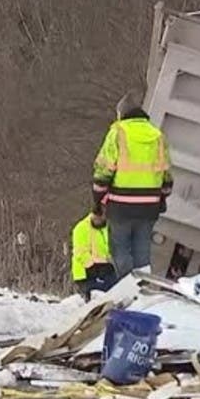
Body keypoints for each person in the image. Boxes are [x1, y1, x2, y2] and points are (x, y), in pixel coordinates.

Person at [92, 92, 173, 280]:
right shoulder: (158, 136)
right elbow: (167, 176)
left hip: (121, 206)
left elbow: (103, 172)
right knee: (142, 252)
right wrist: (161, 199)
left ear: (121, 114)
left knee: (119, 249)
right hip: (149, 207)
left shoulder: (118, 133)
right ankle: (142, 287)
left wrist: (97, 202)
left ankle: (127, 286)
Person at [70, 205, 116, 301]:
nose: (98, 221)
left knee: (116, 287)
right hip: (85, 272)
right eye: (96, 218)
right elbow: (80, 252)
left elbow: (109, 247)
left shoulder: (106, 227)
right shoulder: (82, 228)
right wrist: (92, 267)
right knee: (99, 295)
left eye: (101, 218)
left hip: (104, 267)